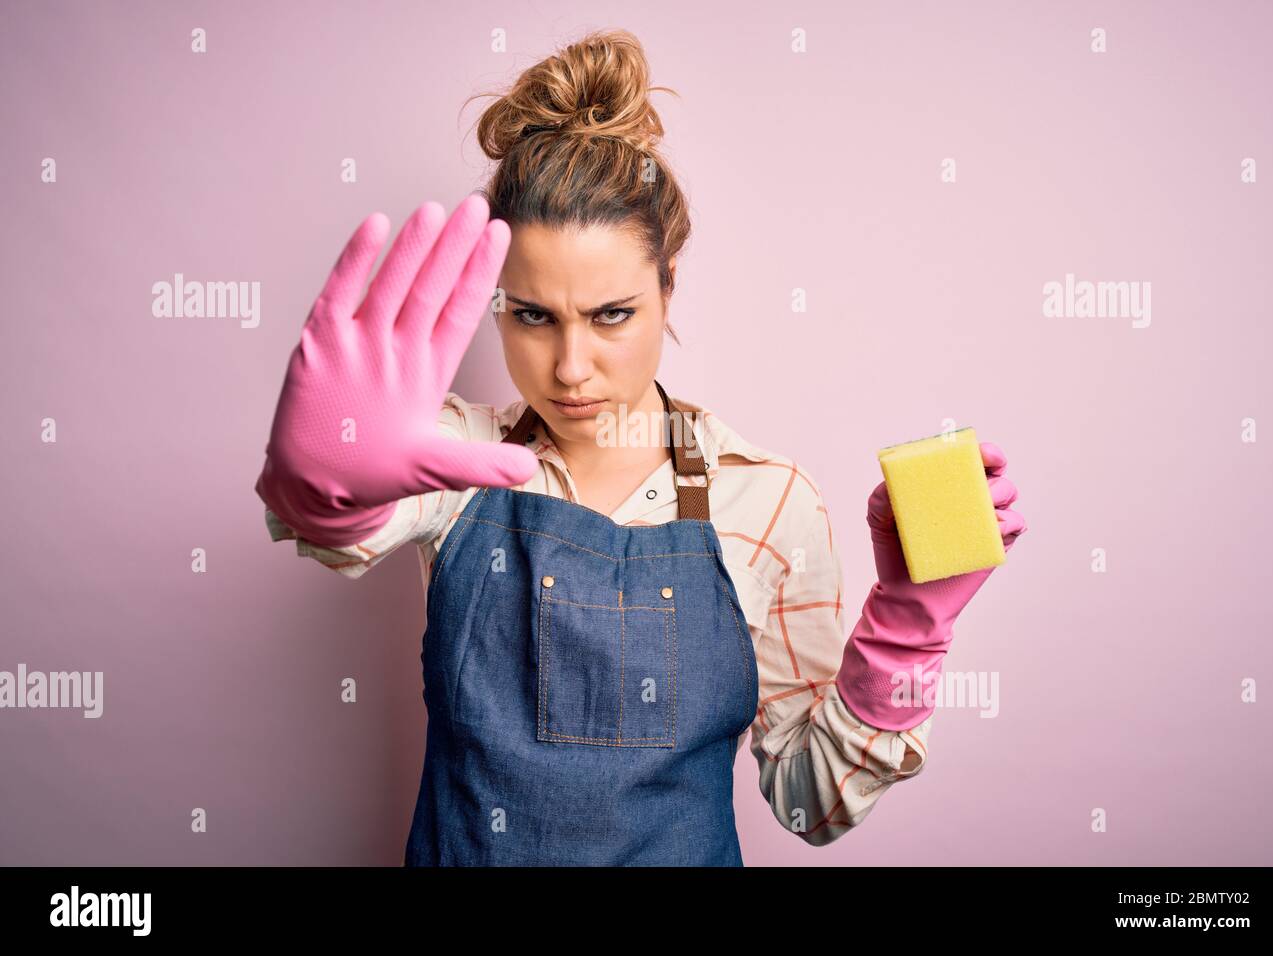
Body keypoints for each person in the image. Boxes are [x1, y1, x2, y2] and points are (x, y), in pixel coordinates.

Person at [254, 29, 1026, 866]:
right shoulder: (450, 457)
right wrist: (318, 473)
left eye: (611, 314)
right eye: (532, 315)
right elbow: (335, 536)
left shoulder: (766, 501)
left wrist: (904, 633)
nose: (571, 368)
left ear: (668, 289)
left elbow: (812, 805)